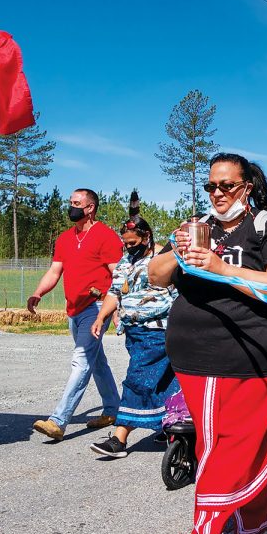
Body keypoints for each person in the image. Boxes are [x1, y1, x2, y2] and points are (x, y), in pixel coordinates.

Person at [149, 153, 267, 534]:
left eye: (227, 186)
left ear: (247, 187)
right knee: (224, 442)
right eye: (211, 187)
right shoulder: (195, 226)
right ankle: (255, 521)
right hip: (193, 357)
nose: (218, 194)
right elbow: (155, 275)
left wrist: (220, 267)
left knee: (223, 447)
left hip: (251, 355)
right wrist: (181, 253)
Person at [28, 189, 123, 442]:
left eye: (76, 203)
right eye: (70, 203)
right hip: (74, 308)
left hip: (96, 307)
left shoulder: (106, 236)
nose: (71, 207)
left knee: (81, 361)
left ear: (90, 208)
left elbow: (119, 274)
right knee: (97, 361)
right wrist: (38, 293)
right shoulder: (65, 238)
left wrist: (115, 308)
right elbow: (54, 271)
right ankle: (113, 409)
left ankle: (58, 421)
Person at [89, 195, 179, 458]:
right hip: (134, 331)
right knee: (163, 380)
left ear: (147, 236)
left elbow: (179, 293)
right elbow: (115, 292)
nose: (130, 247)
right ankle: (170, 424)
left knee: (138, 378)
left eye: (134, 242)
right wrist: (101, 318)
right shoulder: (124, 262)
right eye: (126, 244)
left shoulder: (164, 258)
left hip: (159, 329)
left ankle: (119, 437)